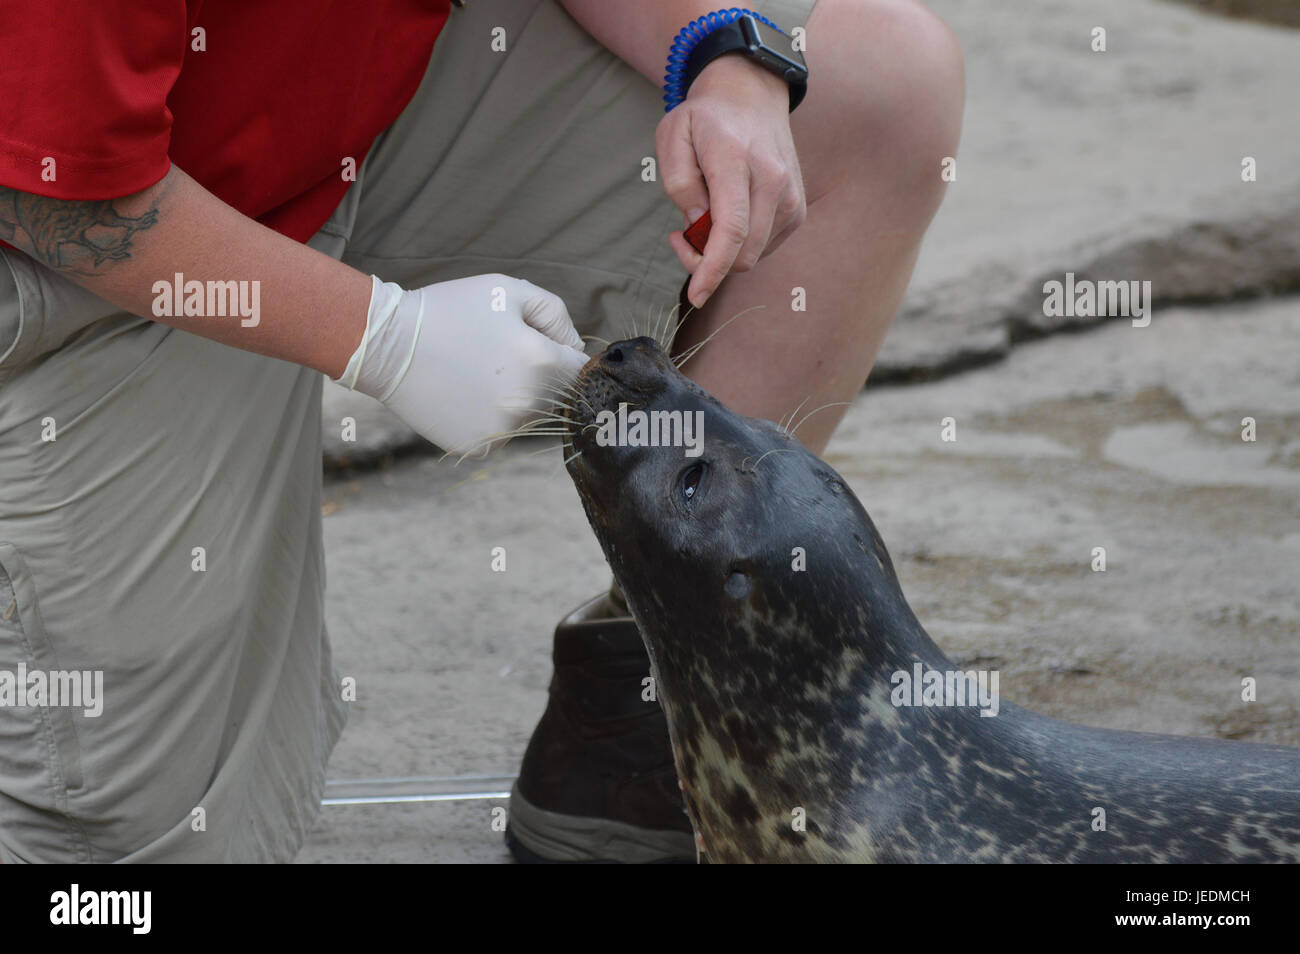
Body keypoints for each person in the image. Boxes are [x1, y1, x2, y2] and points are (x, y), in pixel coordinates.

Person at [0, 0, 962, 862]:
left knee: (872, 84)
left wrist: (716, 48)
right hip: (80, 240)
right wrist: (383, 337)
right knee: (129, 853)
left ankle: (654, 707)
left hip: (354, 93)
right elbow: (55, 192)